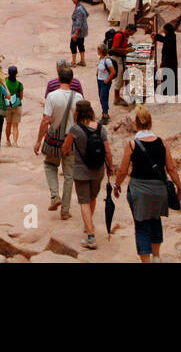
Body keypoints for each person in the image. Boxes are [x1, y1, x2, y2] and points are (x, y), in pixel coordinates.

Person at [113, 105, 181, 263]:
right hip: (159, 189)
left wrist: (117, 185)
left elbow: (123, 170)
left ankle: (146, 261)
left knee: (141, 225)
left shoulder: (132, 144)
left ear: (136, 123)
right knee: (155, 220)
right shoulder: (162, 142)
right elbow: (171, 169)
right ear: (150, 122)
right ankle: (157, 257)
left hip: (139, 189)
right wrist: (180, 187)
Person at [62, 100, 113, 250]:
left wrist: (67, 152)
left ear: (77, 113)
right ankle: (88, 224)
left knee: (83, 201)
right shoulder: (100, 129)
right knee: (92, 197)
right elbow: (108, 151)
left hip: (81, 171)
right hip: (98, 170)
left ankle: (91, 237)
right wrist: (110, 167)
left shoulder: (75, 130)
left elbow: (65, 148)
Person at [35, 67, 79, 219]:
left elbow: (46, 120)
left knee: (50, 165)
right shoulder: (78, 97)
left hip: (54, 140)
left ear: (59, 79)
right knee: (69, 176)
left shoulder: (52, 97)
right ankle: (65, 211)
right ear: (72, 81)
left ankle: (55, 195)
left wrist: (38, 141)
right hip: (71, 140)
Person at [109, 22, 134, 106]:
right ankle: (116, 99)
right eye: (131, 33)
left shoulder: (125, 36)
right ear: (128, 30)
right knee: (119, 78)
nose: (131, 35)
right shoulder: (119, 35)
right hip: (117, 59)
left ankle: (119, 96)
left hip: (121, 58)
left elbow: (121, 45)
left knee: (123, 76)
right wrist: (126, 50)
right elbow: (114, 48)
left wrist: (127, 46)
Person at [154, 21, 179, 98]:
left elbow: (165, 40)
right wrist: (156, 36)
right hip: (171, 61)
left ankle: (167, 92)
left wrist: (163, 62)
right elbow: (164, 39)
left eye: (164, 30)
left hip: (168, 61)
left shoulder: (170, 38)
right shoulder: (171, 36)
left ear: (167, 30)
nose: (163, 31)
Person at [3, 64, 25, 147]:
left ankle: (8, 140)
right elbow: (21, 96)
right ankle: (15, 142)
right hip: (17, 105)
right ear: (16, 73)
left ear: (8, 73)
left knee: (8, 124)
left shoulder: (5, 83)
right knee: (15, 125)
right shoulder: (20, 85)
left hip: (7, 106)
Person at [95, 44, 116, 124]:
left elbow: (113, 72)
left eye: (98, 50)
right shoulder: (101, 58)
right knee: (101, 97)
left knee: (104, 98)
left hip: (104, 81)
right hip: (100, 80)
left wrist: (107, 80)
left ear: (101, 51)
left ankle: (105, 115)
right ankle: (104, 112)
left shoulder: (107, 60)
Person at [69, 0, 89, 67]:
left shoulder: (79, 9)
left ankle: (74, 62)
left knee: (73, 45)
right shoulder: (81, 6)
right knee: (81, 45)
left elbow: (79, 22)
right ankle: (82, 61)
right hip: (83, 30)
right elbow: (87, 14)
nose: (73, 0)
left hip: (78, 31)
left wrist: (76, 33)